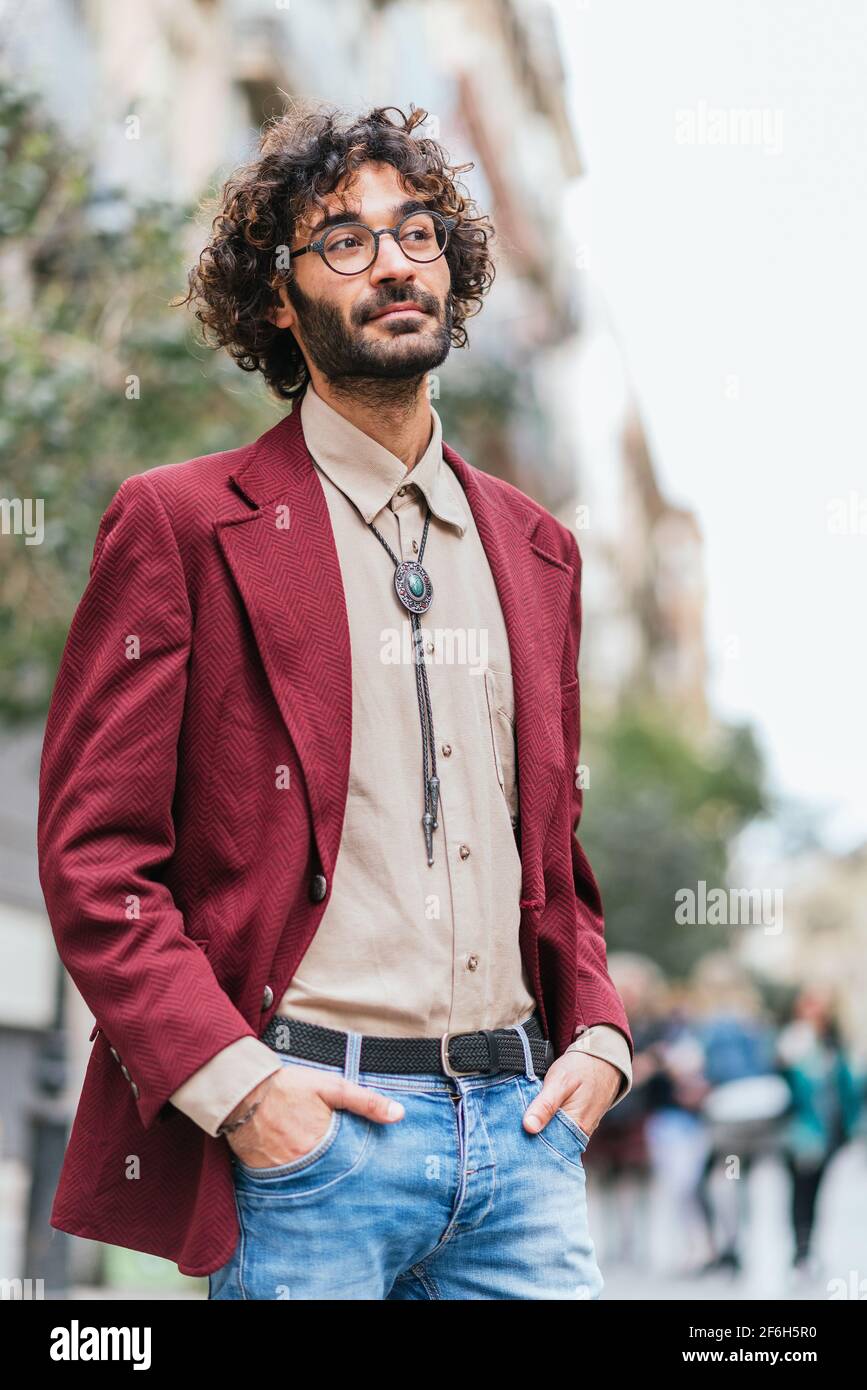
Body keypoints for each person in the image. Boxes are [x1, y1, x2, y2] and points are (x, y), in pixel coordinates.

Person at [37, 102, 633, 1300]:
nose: (395, 261)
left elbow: (555, 858)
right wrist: (242, 1089)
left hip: (522, 1147)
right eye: (345, 240)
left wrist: (604, 1040)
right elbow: (96, 857)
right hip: (311, 1147)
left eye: (415, 232)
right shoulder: (183, 524)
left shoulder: (540, 551)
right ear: (277, 297)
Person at [777, 986, 862, 1279]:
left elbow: (848, 1088)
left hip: (830, 1132)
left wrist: (851, 1126)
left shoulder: (834, 1045)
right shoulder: (791, 1040)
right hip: (798, 1132)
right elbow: (782, 1083)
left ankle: (808, 1249)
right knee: (800, 1191)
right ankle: (800, 1252)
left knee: (817, 1192)